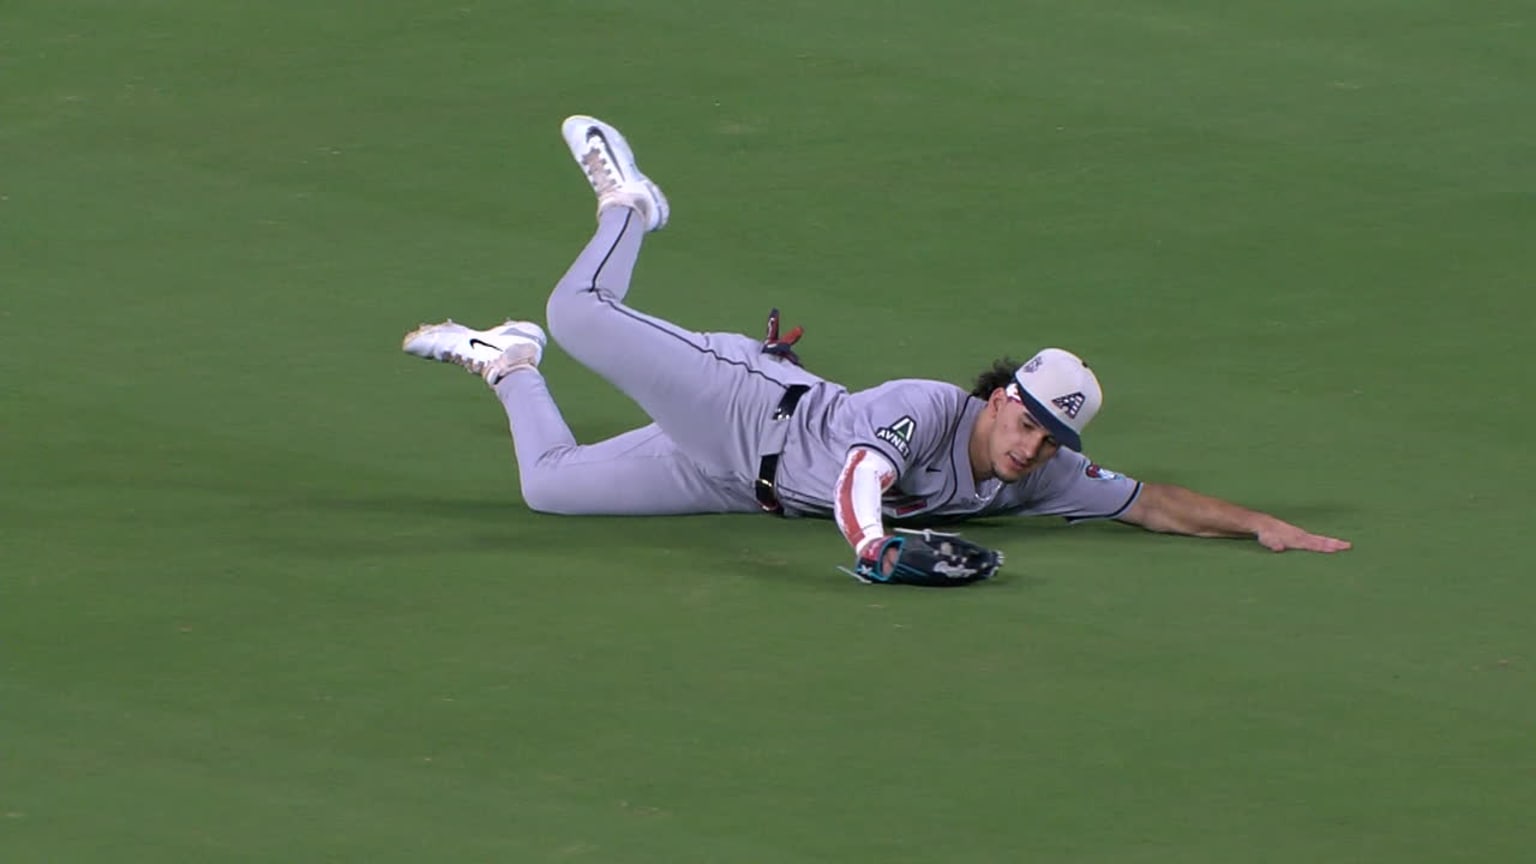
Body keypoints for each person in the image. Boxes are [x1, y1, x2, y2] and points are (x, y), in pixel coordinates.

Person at [402, 115, 1350, 582]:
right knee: (583, 309)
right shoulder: (930, 404)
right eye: (1028, 423)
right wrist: (872, 545)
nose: (1031, 448)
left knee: (550, 487)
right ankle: (630, 206)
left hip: (740, 484)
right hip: (739, 404)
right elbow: (860, 475)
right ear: (1000, 397)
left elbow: (1151, 505)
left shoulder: (1036, 480)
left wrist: (1259, 522)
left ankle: (508, 361)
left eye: (1049, 442)